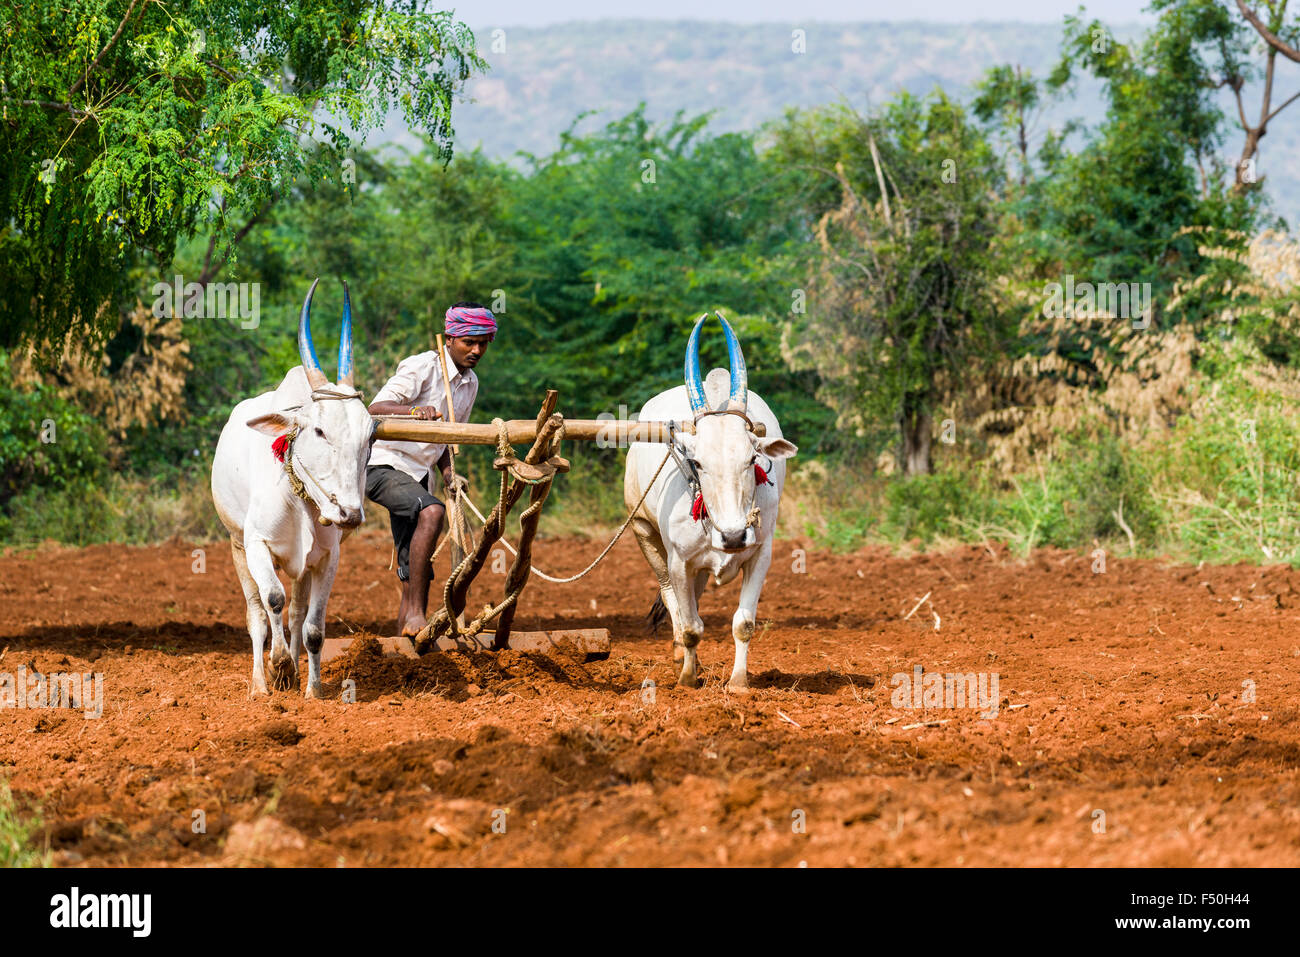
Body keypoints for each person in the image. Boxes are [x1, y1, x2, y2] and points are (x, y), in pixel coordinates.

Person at [366, 302, 495, 636]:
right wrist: (414, 411)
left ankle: (404, 644)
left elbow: (447, 439)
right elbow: (375, 407)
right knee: (432, 512)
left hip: (420, 474)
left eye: (483, 342)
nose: (477, 350)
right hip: (384, 464)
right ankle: (416, 616)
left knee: (413, 562)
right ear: (449, 339)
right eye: (469, 341)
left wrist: (450, 472)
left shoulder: (470, 383)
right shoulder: (423, 366)